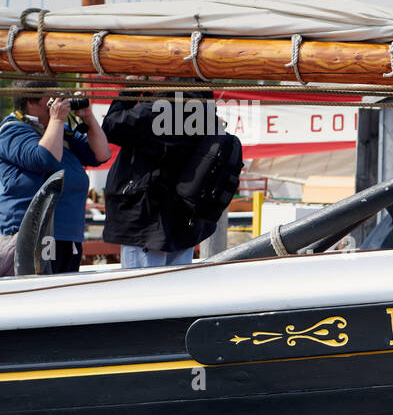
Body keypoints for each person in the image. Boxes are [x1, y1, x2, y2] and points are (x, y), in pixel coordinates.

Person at [101, 87, 241, 268]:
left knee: (139, 291)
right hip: (184, 223)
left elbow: (112, 126)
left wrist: (131, 91)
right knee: (176, 290)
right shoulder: (203, 111)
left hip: (147, 221)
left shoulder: (153, 110)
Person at [0, 79, 111, 276]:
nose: (58, 102)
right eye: (51, 98)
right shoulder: (12, 130)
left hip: (67, 236)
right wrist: (58, 119)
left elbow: (102, 154)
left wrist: (88, 118)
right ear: (31, 102)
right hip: (34, 235)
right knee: (39, 294)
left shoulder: (61, 131)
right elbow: (44, 158)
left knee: (62, 296)